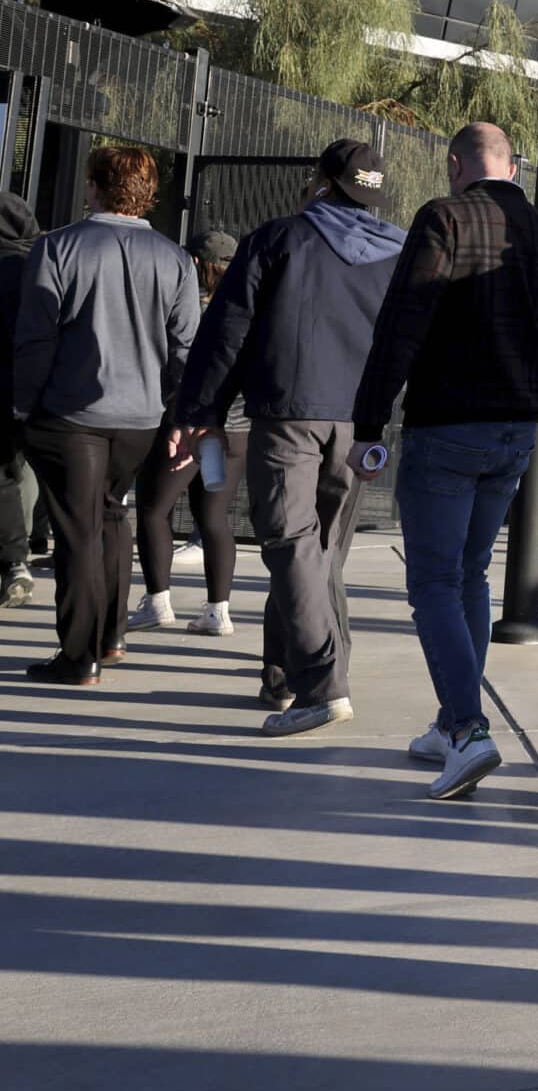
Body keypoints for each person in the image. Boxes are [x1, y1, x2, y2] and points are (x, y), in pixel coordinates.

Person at [353, 124, 538, 798]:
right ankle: (449, 722)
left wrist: (370, 421)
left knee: (431, 582)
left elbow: (402, 323)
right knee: (470, 574)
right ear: (512, 166)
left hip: (447, 425)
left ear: (456, 165)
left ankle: (466, 728)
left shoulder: (444, 217)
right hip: (516, 430)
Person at [173, 140, 406, 735]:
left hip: (289, 412)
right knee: (319, 550)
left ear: (321, 181)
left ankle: (322, 684)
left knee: (289, 542)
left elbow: (227, 332)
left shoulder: (280, 239)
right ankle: (283, 674)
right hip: (361, 423)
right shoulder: (402, 253)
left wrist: (202, 411)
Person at [15, 147, 197, 684]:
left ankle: (78, 655)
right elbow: (186, 346)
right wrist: (183, 411)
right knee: (113, 514)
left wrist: (23, 403)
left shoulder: (57, 248)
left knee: (77, 531)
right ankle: (111, 636)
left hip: (72, 412)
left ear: (93, 186)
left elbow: (36, 337)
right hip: (140, 417)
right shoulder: (174, 259)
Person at [127, 231, 248, 638]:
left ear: (194, 263)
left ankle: (158, 600)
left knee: (153, 508)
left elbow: (180, 363)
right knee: (213, 516)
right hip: (234, 429)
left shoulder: (189, 308)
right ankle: (218, 610)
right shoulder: (248, 307)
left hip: (190, 423)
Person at [0, 191, 40, 607]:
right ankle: (19, 556)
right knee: (22, 470)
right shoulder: (38, 266)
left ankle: (14, 558)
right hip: (38, 386)